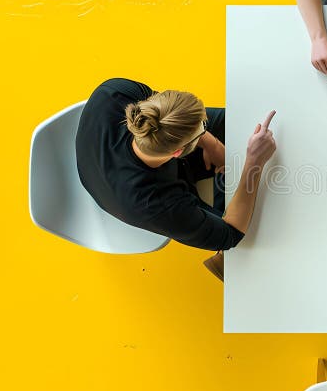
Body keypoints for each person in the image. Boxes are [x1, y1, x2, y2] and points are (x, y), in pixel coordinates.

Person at [76, 78, 276, 282]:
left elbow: (167, 119)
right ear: (178, 152)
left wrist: (212, 145)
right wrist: (254, 163)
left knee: (240, 122)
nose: (204, 127)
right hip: (139, 195)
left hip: (141, 159)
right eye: (202, 128)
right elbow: (230, 234)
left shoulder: (115, 92)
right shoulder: (154, 203)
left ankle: (223, 179)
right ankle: (222, 254)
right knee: (250, 232)